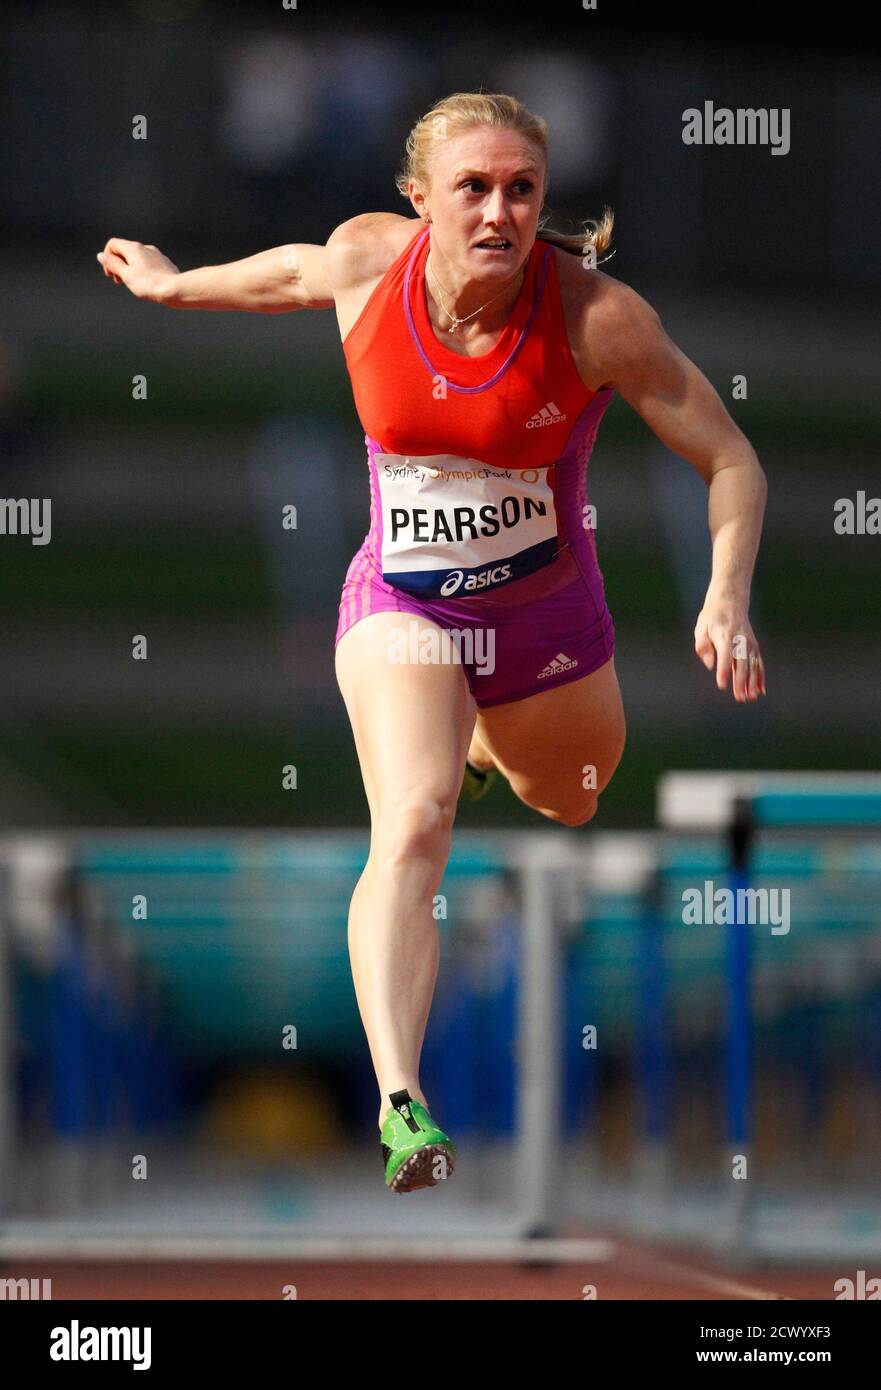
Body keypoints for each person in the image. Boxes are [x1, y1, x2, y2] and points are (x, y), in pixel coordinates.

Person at [97, 91, 767, 1195]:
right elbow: (286, 273)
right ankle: (401, 1101)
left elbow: (731, 458)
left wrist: (724, 597)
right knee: (410, 821)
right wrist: (175, 284)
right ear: (419, 199)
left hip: (546, 627)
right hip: (404, 604)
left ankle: (487, 741)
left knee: (571, 795)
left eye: (520, 191)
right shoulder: (371, 260)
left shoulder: (596, 318)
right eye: (472, 188)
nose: (499, 211)